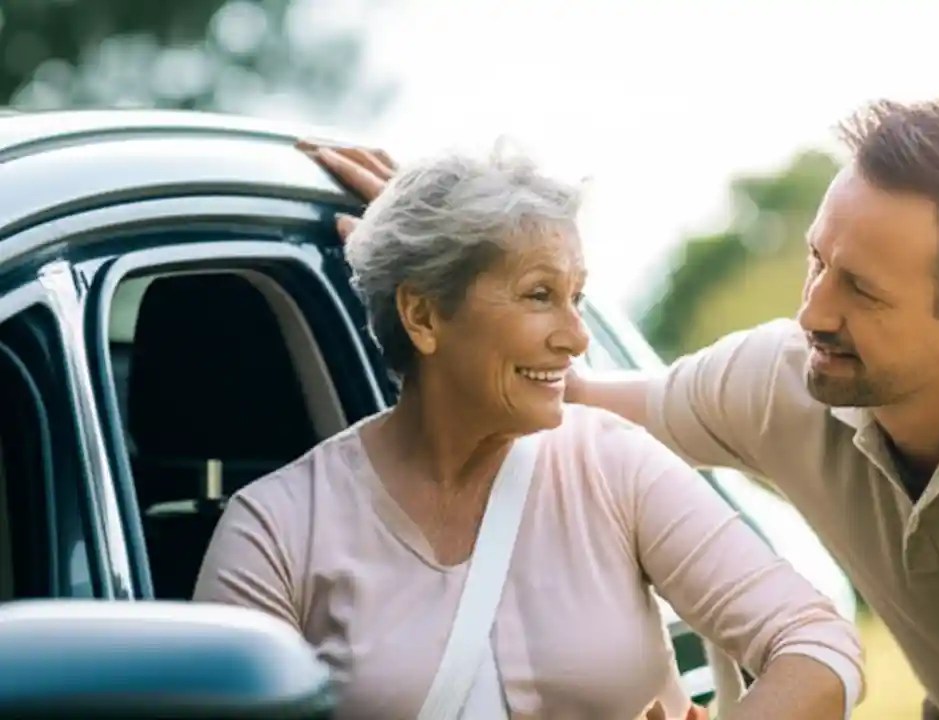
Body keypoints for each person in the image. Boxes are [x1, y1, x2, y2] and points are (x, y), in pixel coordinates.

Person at [311, 95, 939, 720]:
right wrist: (452, 258)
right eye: (817, 259)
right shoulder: (782, 375)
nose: (811, 311)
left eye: (861, 290)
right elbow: (556, 388)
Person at [195, 145, 863, 720]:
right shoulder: (275, 529)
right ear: (423, 316)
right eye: (540, 295)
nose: (575, 338)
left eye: (577, 297)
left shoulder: (612, 465)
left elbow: (816, 643)